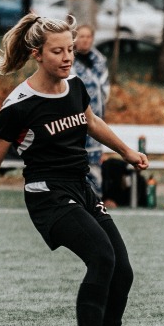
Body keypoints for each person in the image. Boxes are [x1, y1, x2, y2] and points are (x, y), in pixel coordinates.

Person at [0, 13, 149, 326]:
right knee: (101, 257)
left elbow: (90, 122)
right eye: (58, 52)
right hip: (46, 194)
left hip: (80, 187)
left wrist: (126, 151)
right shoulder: (19, 105)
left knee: (122, 271)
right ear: (37, 54)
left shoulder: (75, 85)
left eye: (70, 50)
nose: (68, 58)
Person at [71, 23, 111, 198]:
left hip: (95, 117)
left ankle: (95, 197)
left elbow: (105, 87)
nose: (85, 40)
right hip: (73, 119)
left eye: (88, 37)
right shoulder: (68, 60)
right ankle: (76, 196)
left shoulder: (99, 60)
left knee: (94, 161)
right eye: (82, 36)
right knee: (76, 159)